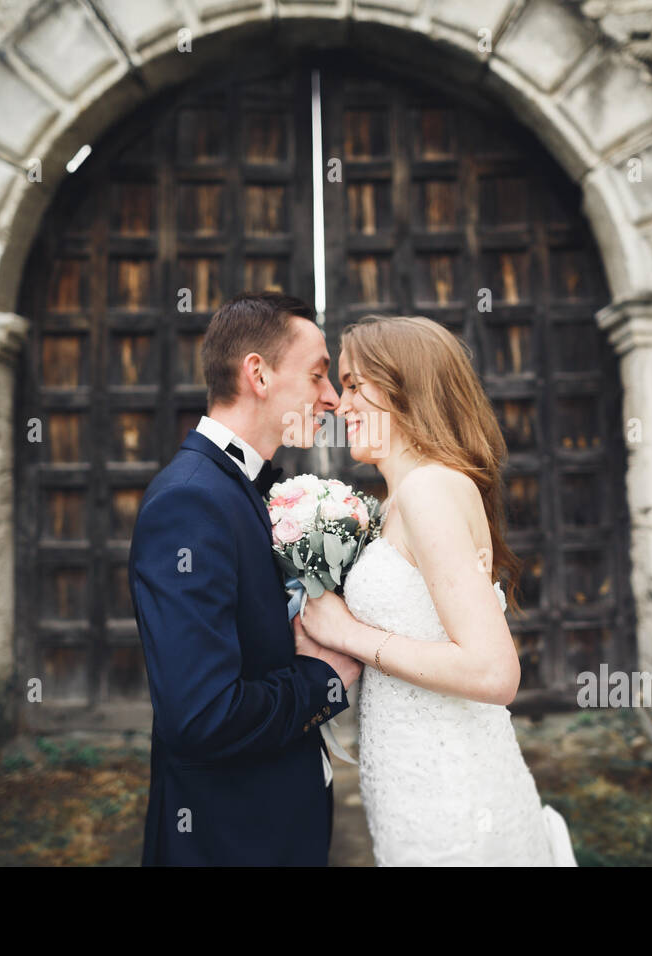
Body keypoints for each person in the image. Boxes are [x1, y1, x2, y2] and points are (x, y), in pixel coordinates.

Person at [299, 313, 578, 866]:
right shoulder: (398, 499)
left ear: (409, 388)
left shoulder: (429, 490)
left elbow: (494, 673)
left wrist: (348, 633)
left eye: (356, 384)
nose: (341, 403)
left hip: (451, 792)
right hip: (411, 782)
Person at [129, 291, 362, 865]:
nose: (332, 398)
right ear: (258, 374)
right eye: (317, 376)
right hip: (228, 841)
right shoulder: (188, 501)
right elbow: (202, 716)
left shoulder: (240, 490)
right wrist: (323, 678)